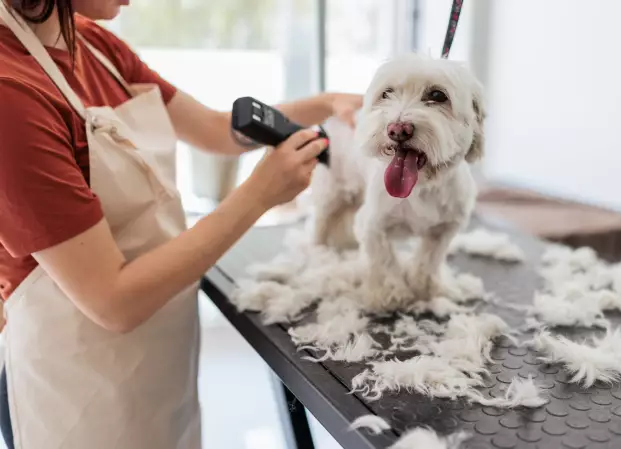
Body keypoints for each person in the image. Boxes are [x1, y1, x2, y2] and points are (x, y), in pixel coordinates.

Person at [0, 0, 363, 447]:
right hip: (75, 394)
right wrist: (259, 195)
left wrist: (326, 104)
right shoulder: (10, 93)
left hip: (159, 365)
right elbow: (112, 302)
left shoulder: (90, 42)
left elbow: (214, 129)